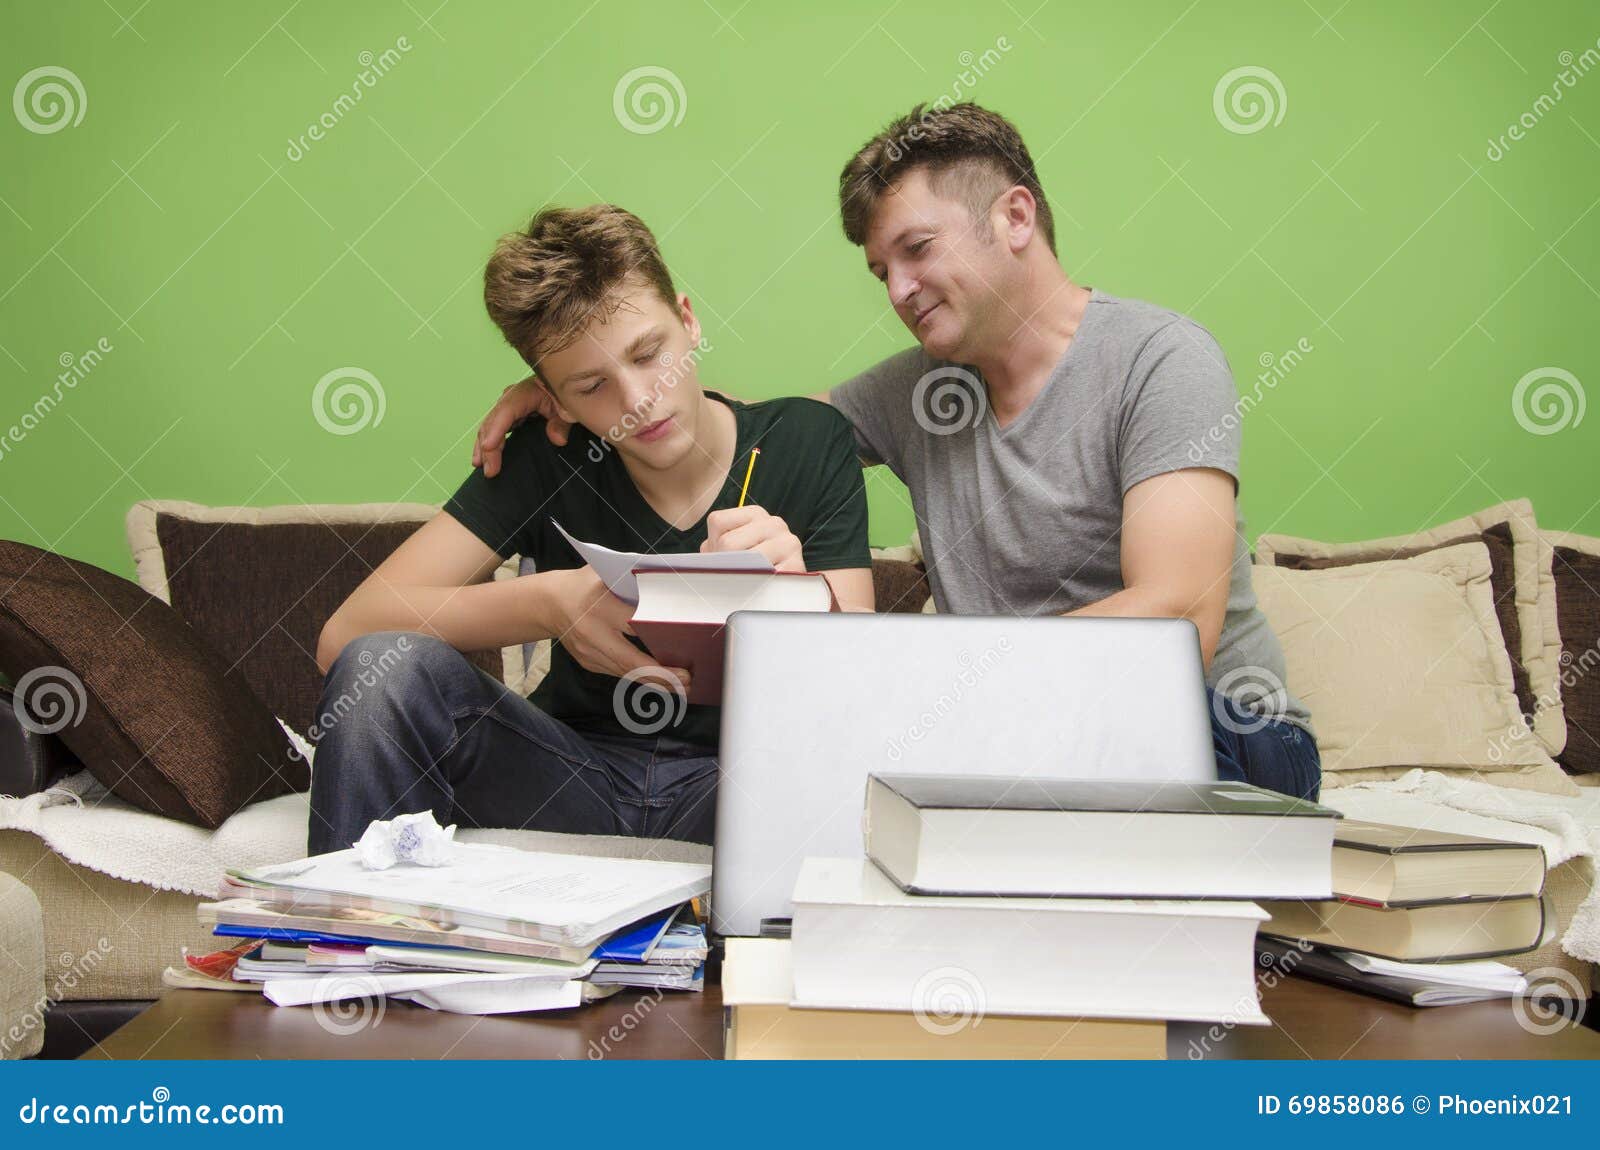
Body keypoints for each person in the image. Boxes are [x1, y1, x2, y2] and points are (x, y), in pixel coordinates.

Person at [468, 104, 1321, 802]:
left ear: (1015, 217)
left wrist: (942, 684)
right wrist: (583, 398)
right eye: (882, 270)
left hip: (1216, 728)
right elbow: (747, 426)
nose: (899, 290)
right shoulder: (921, 389)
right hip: (1007, 734)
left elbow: (1175, 626)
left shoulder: (1159, 359)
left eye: (917, 250)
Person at [307, 204, 873, 855]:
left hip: (734, 786)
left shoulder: (808, 441)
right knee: (381, 668)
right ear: (552, 397)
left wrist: (796, 594)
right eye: (591, 384)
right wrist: (549, 604)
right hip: (564, 778)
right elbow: (345, 637)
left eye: (648, 353)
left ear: (688, 321)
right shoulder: (548, 455)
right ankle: (341, 945)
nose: (637, 402)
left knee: (831, 771)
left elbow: (855, 702)